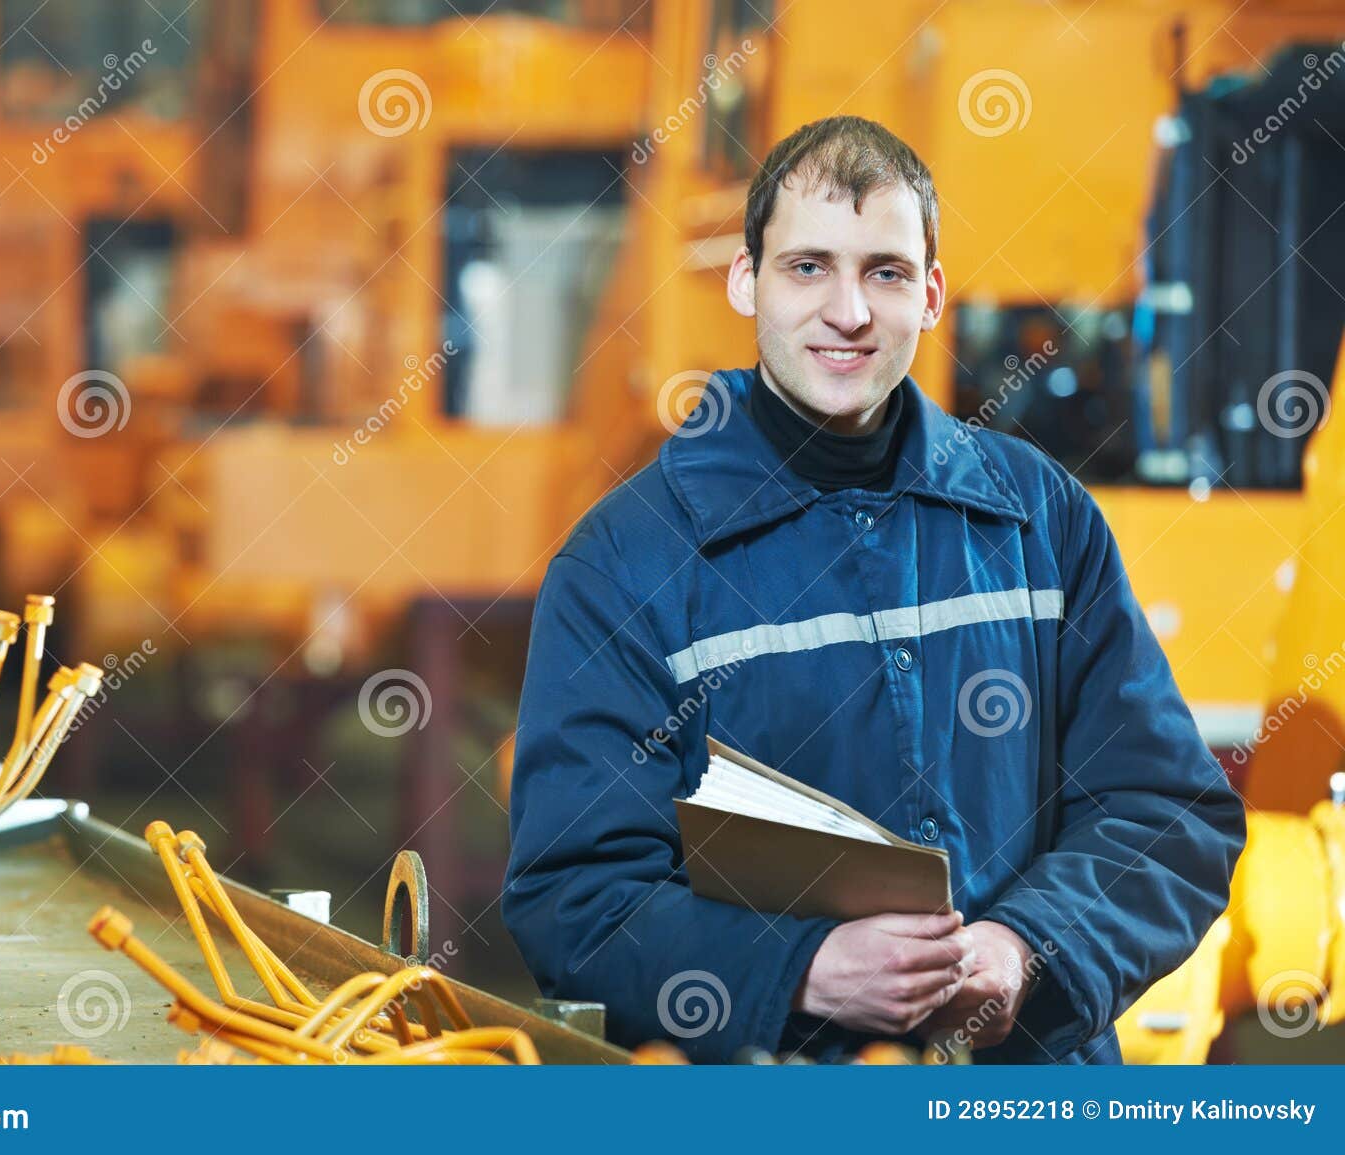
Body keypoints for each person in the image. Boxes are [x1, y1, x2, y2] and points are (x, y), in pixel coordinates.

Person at [501, 116, 1245, 1063]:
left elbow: (1169, 812)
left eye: (885, 272)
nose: (848, 311)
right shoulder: (624, 565)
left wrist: (1025, 949)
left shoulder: (1039, 518)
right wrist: (799, 968)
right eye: (807, 267)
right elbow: (576, 899)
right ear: (745, 281)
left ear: (931, 294)